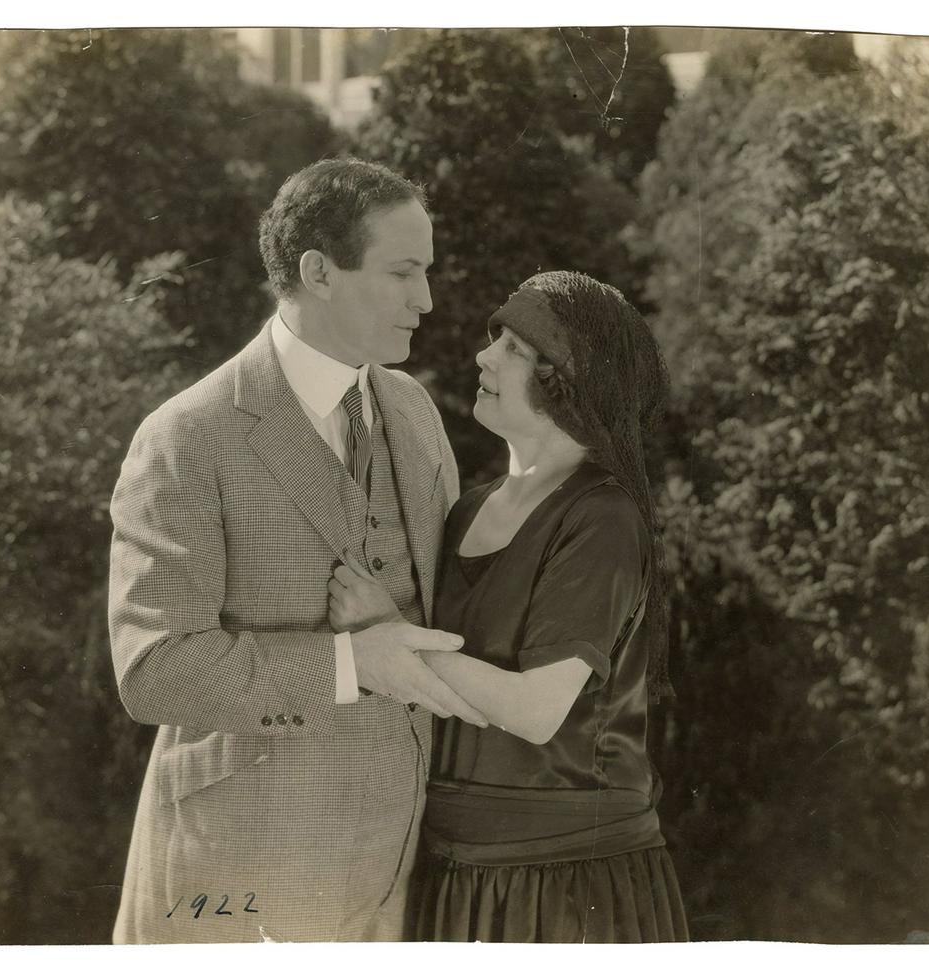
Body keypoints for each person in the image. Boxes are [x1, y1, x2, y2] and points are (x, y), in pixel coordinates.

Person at [107, 157, 488, 944]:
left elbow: (451, 614)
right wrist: (356, 665)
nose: (426, 299)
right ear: (318, 271)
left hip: (397, 879)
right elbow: (154, 671)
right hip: (233, 884)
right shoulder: (186, 437)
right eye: (402, 273)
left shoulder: (414, 414)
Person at [327, 270, 689, 942]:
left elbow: (532, 710)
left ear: (569, 385)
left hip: (567, 885)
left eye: (516, 349)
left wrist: (386, 632)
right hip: (453, 874)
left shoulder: (602, 519)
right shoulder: (467, 509)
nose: (483, 356)